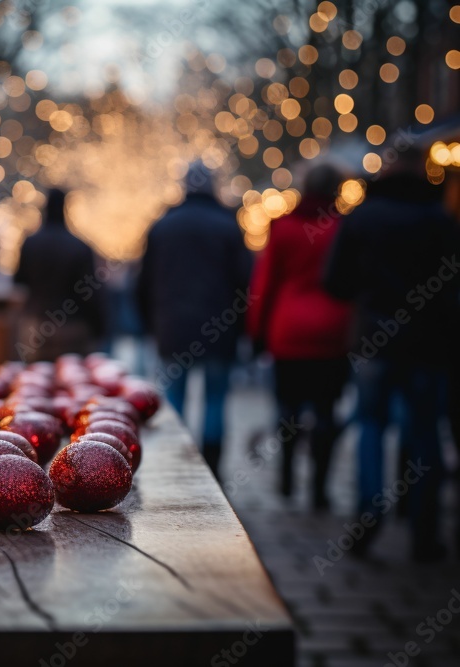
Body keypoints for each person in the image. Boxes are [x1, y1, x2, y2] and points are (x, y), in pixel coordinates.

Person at [324, 148, 460, 562]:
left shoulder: (363, 216)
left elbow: (335, 281)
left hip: (374, 341)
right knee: (423, 432)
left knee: (370, 426)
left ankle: (369, 512)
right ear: (422, 169)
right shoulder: (439, 219)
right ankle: (424, 529)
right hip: (427, 345)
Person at [246, 164, 354, 509]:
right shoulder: (343, 228)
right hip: (333, 332)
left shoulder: (284, 228)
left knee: (288, 409)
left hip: (288, 331)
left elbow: (265, 284)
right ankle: (320, 490)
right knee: (326, 410)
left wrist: (257, 331)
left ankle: (287, 479)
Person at [136, 161, 252, 476]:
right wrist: (241, 327)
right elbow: (245, 281)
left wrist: (150, 324)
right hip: (219, 329)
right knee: (216, 400)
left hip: (173, 328)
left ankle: (178, 469)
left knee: (174, 403)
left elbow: (143, 282)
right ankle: (212, 468)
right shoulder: (228, 225)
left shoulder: (163, 225)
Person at [13, 188, 106, 362]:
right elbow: (91, 293)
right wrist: (100, 328)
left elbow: (18, 280)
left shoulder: (30, 243)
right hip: (72, 326)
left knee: (36, 380)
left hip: (36, 324)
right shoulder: (79, 246)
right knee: (73, 380)